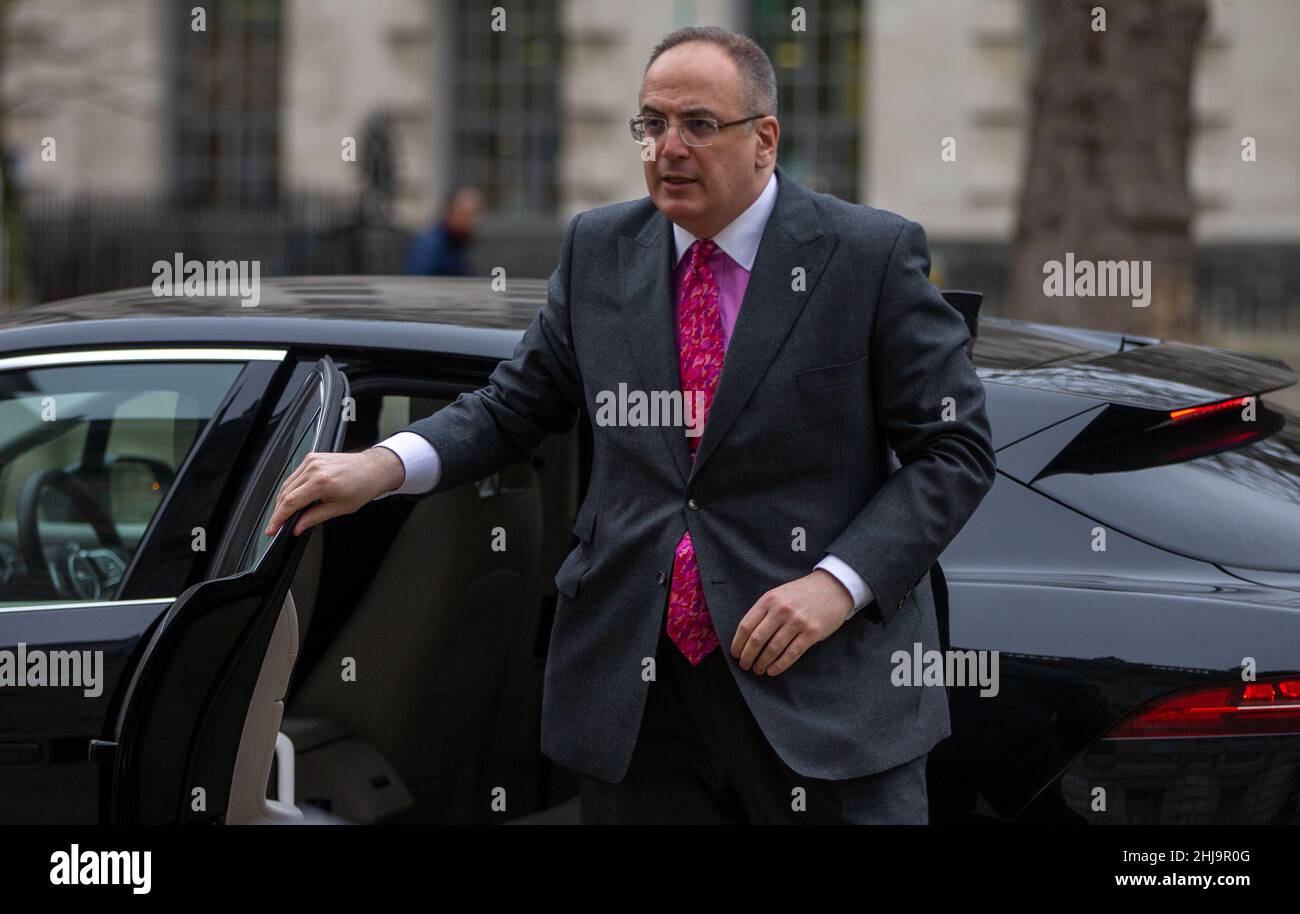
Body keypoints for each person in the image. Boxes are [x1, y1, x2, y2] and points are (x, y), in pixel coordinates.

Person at [265, 26, 996, 824]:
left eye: (697, 125)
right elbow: (515, 405)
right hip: (640, 698)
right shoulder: (597, 249)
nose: (667, 148)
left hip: (823, 699)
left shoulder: (868, 256)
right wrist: (380, 467)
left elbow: (954, 451)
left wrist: (836, 584)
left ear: (764, 139)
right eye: (650, 124)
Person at [406, 185, 483, 275]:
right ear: (449, 211)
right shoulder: (432, 246)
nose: (469, 220)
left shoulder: (462, 243)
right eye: (464, 213)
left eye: (474, 214)